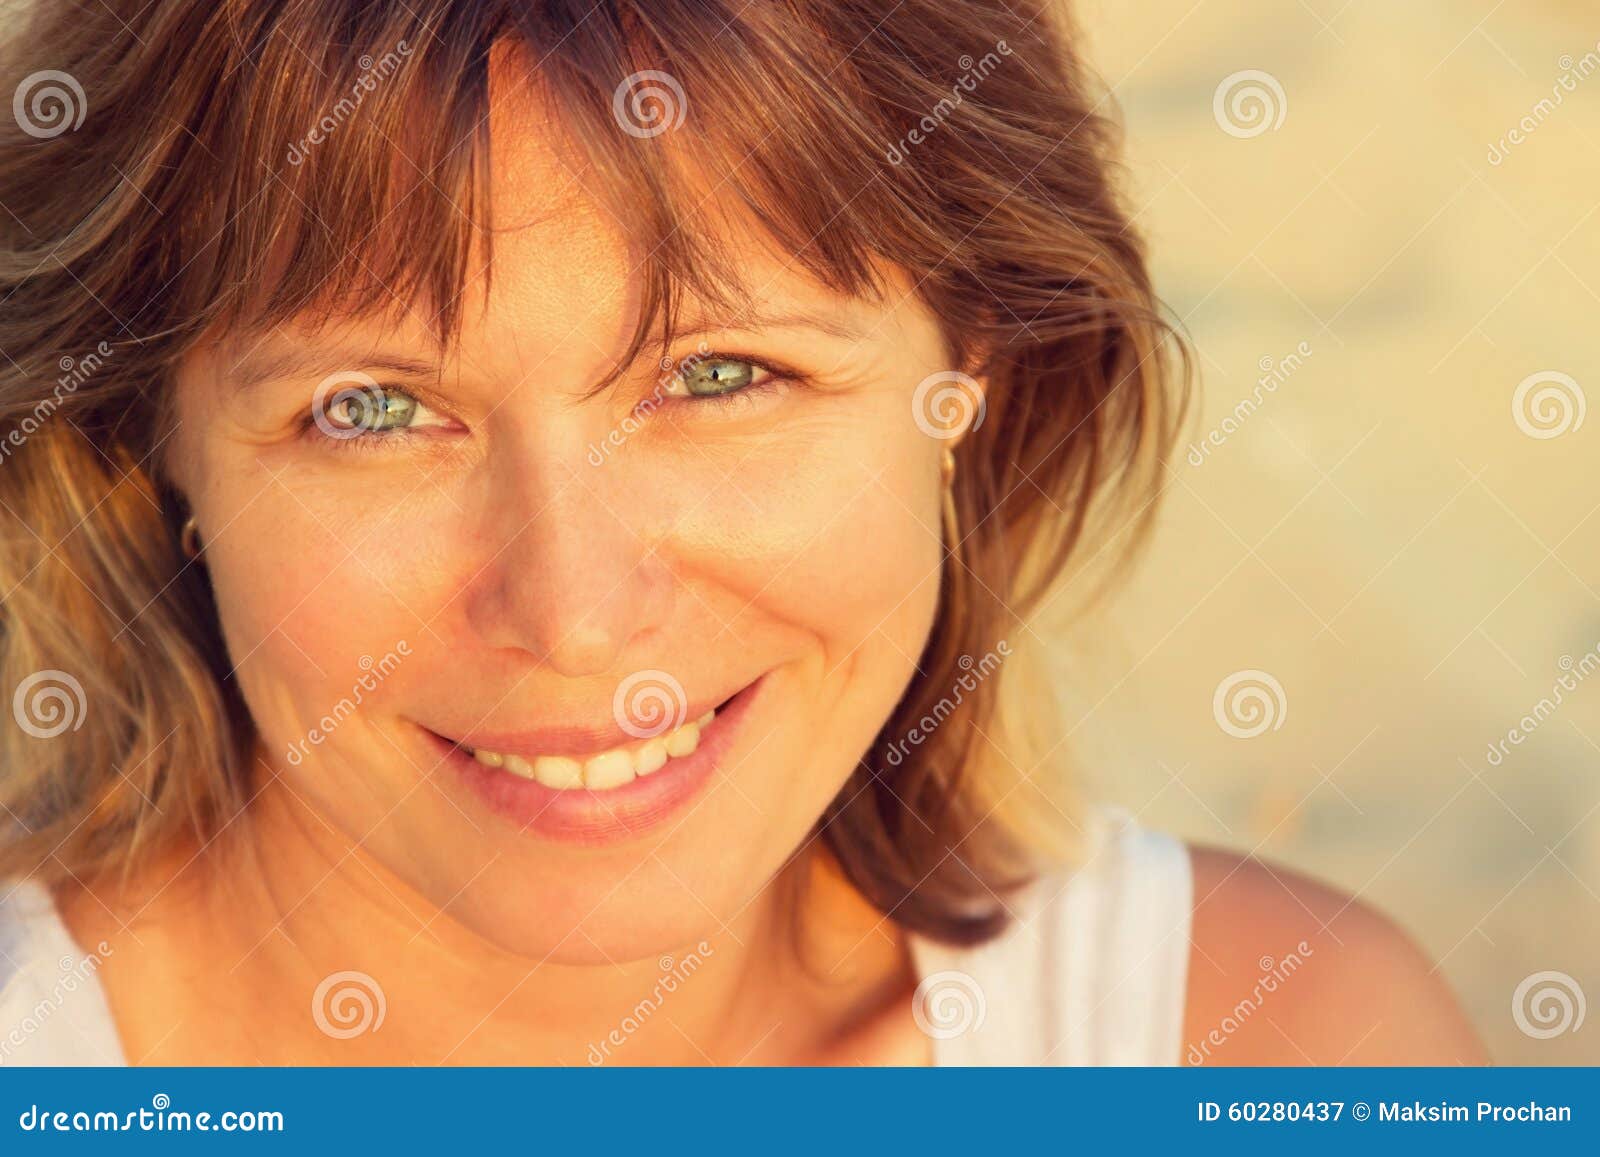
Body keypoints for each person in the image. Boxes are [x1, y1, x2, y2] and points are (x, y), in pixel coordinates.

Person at [0, 0, 1483, 1065]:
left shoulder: (1285, 1044)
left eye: (723, 376)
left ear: (978, 376)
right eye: (372, 410)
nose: (577, 616)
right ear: (150, 439)